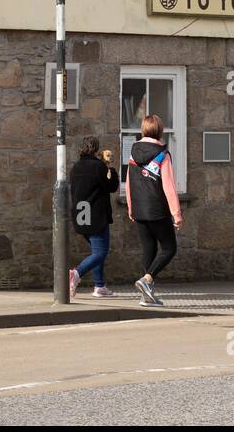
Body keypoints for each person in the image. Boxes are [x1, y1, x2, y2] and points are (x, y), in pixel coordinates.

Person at [125, 114, 182, 306]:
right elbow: (169, 187)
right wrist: (176, 214)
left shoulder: (133, 152)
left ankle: (146, 296)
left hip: (140, 209)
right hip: (157, 209)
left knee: (149, 249)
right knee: (169, 248)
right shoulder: (162, 154)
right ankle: (147, 280)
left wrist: (131, 208)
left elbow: (129, 184)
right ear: (159, 131)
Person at [68, 136, 119, 299]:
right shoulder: (98, 167)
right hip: (96, 215)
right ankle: (76, 273)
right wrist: (112, 170)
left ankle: (100, 286)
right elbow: (112, 187)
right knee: (101, 252)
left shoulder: (75, 167)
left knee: (96, 251)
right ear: (96, 150)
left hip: (80, 215)